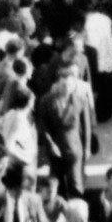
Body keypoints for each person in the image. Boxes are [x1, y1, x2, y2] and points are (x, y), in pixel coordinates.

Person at [37, 63, 91, 199]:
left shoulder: (80, 100)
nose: (66, 88)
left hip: (74, 148)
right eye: (63, 85)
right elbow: (43, 126)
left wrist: (87, 148)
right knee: (56, 184)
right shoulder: (47, 100)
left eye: (69, 86)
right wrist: (51, 144)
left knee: (76, 183)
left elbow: (86, 126)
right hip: (55, 149)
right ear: (58, 84)